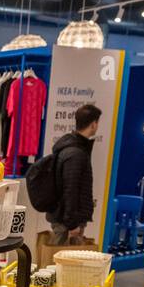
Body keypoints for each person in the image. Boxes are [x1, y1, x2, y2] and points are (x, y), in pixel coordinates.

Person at [46, 103, 101, 244]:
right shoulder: (76, 152)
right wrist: (72, 224)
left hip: (67, 218)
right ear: (93, 124)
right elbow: (70, 189)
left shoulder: (74, 148)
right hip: (67, 222)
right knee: (59, 262)